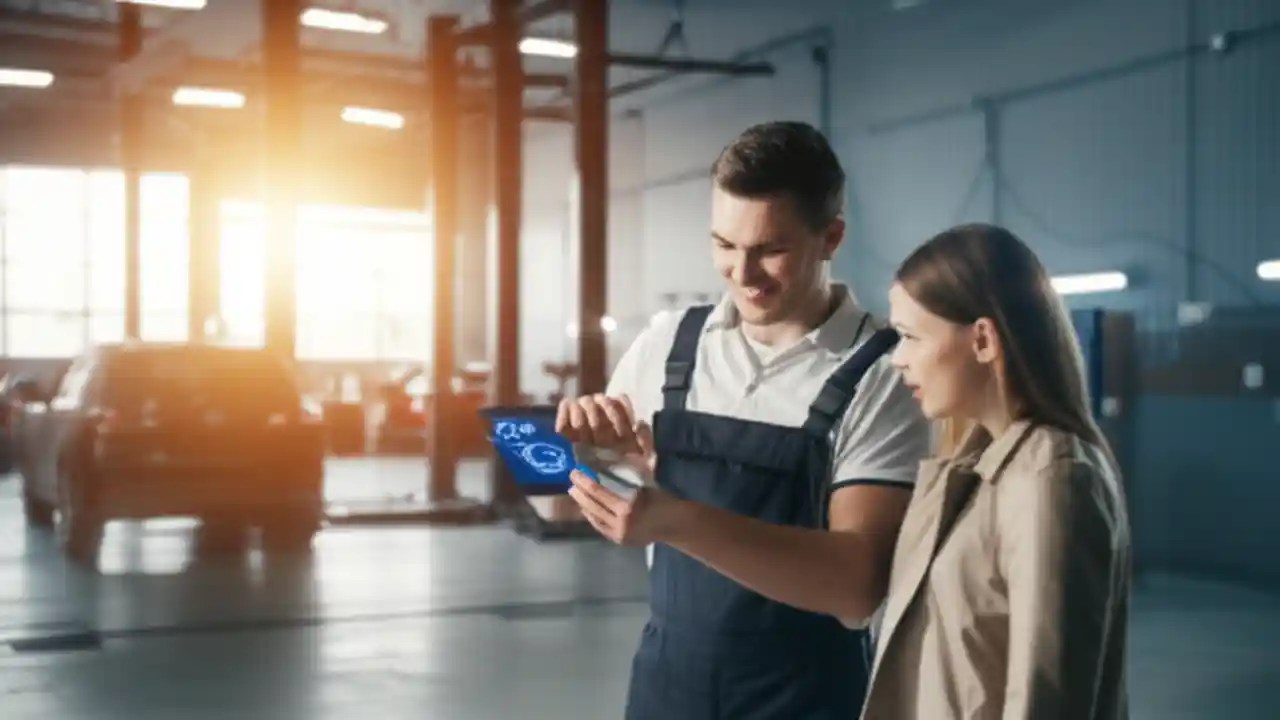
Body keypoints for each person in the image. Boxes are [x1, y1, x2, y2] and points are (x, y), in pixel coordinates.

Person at [558, 121, 931, 719]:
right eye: (725, 245)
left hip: (806, 700)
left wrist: (673, 519)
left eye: (771, 249)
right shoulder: (667, 345)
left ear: (830, 236)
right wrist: (585, 455)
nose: (742, 272)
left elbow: (857, 583)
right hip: (666, 688)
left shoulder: (885, 376)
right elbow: (577, 502)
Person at [859, 223, 1132, 719]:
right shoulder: (973, 468)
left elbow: (1045, 700)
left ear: (982, 339)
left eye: (910, 337)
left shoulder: (1052, 477)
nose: (898, 361)